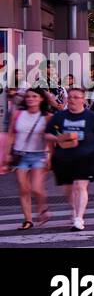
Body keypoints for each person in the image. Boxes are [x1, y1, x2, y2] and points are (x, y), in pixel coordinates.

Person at [45, 87, 94, 231]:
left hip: (86, 156)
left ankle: (79, 218)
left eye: (76, 97)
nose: (73, 100)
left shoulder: (91, 117)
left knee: (80, 186)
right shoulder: (60, 116)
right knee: (69, 189)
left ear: (83, 100)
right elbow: (47, 134)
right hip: (63, 157)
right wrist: (59, 137)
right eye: (71, 97)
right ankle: (74, 211)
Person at [1, 87, 52, 228]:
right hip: (20, 155)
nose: (30, 99)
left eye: (34, 96)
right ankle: (28, 220)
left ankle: (42, 208)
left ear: (41, 99)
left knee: (36, 188)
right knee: (23, 188)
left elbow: (49, 138)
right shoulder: (18, 114)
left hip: (38, 155)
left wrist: (49, 155)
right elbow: (11, 134)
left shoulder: (46, 116)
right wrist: (7, 155)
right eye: (28, 96)